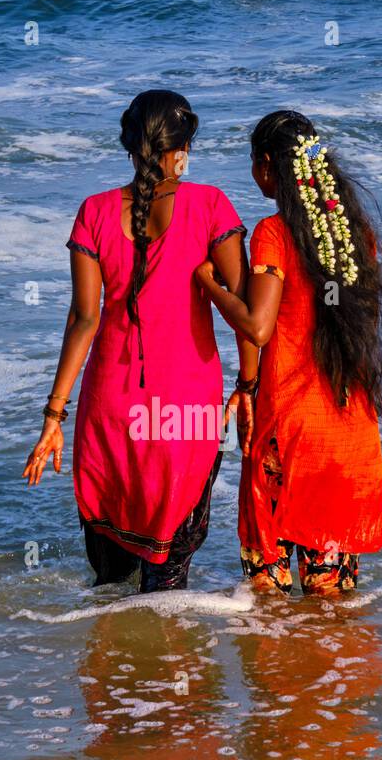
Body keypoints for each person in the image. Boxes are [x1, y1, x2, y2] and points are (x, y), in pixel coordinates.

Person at [23, 89, 258, 592]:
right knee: (167, 582)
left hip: (108, 407)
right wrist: (249, 385)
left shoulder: (94, 211)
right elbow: (244, 310)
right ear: (182, 148)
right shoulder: (210, 205)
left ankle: (111, 665)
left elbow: (83, 320)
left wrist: (53, 416)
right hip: (184, 409)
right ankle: (163, 666)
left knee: (110, 582)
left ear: (130, 144)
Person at [195, 109, 382, 597]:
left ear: (265, 165)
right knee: (334, 603)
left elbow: (258, 327)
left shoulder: (273, 234)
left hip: (289, 427)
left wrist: (210, 285)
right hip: (347, 429)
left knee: (270, 600)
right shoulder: (355, 237)